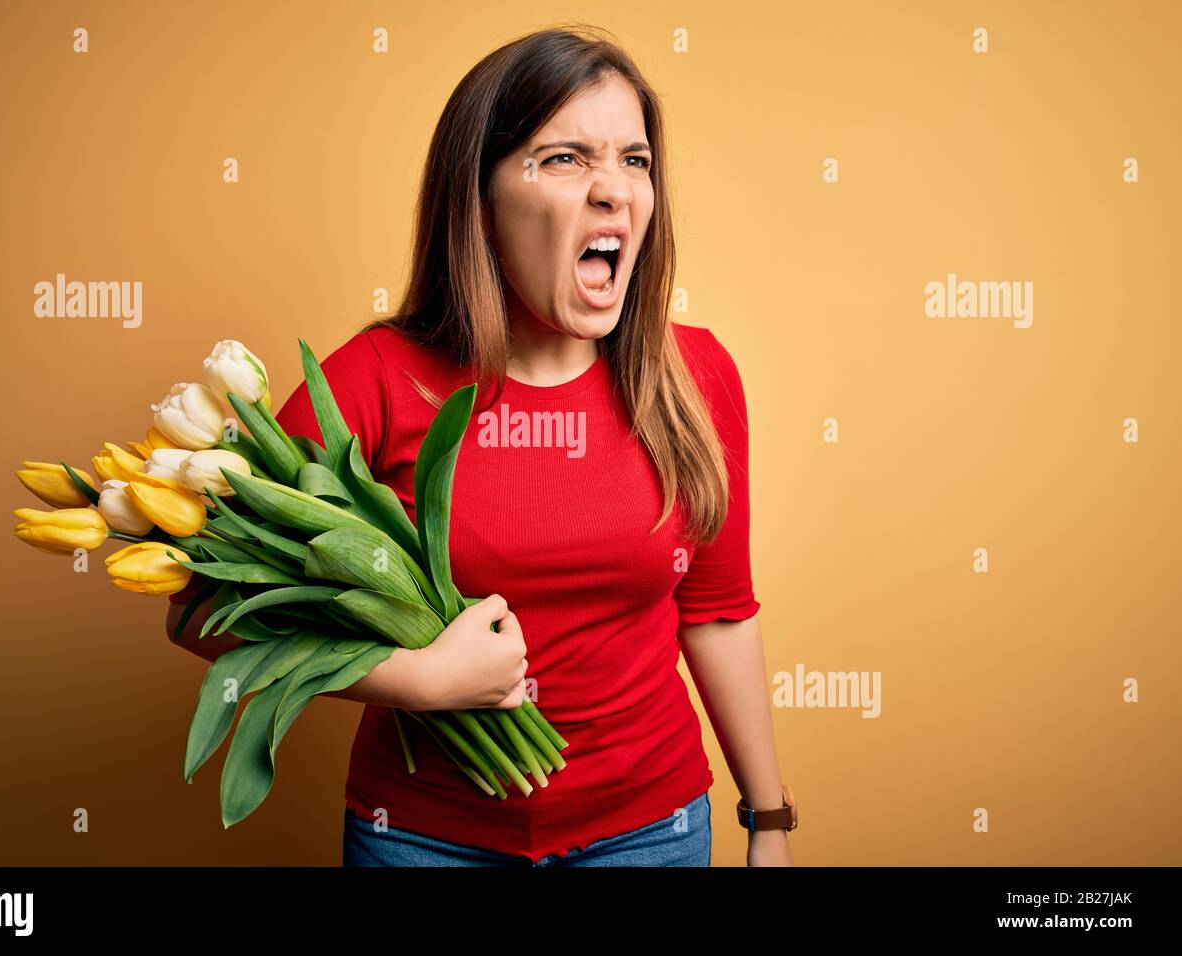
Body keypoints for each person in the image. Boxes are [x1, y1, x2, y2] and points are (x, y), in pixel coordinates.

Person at [168, 24, 792, 868]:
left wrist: (769, 822)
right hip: (422, 840)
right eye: (566, 159)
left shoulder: (696, 379)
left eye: (635, 161)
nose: (615, 191)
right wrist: (413, 680)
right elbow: (202, 608)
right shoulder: (377, 380)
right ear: (483, 197)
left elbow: (718, 616)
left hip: (652, 833)